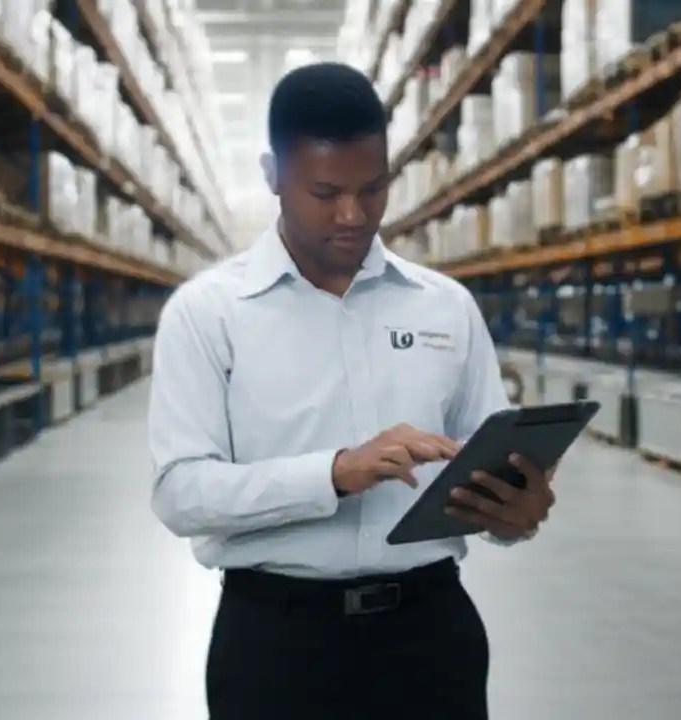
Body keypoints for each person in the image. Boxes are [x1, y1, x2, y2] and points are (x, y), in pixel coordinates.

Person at [147, 62, 559, 719]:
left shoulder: (446, 308)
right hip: (277, 643)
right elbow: (180, 494)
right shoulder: (210, 314)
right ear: (272, 176)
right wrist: (335, 473)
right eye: (325, 191)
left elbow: (488, 466)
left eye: (372, 190)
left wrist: (517, 514)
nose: (352, 215)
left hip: (430, 637)